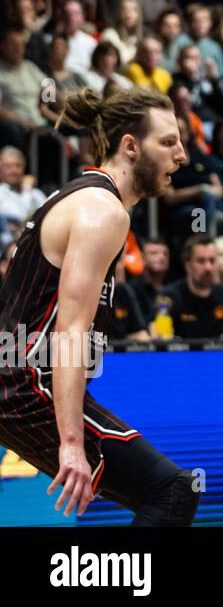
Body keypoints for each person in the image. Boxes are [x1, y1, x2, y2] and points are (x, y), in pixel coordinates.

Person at [0, 87, 200, 524]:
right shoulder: (103, 210)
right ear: (130, 146)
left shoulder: (79, 197)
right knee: (172, 491)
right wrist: (71, 442)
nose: (181, 156)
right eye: (168, 142)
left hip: (17, 380)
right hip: (26, 386)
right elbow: (69, 330)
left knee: (157, 493)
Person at [158, 236, 223, 340]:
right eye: (201, 261)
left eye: (212, 261)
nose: (208, 267)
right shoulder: (170, 296)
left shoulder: (221, 293)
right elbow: (161, 342)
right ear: (188, 265)